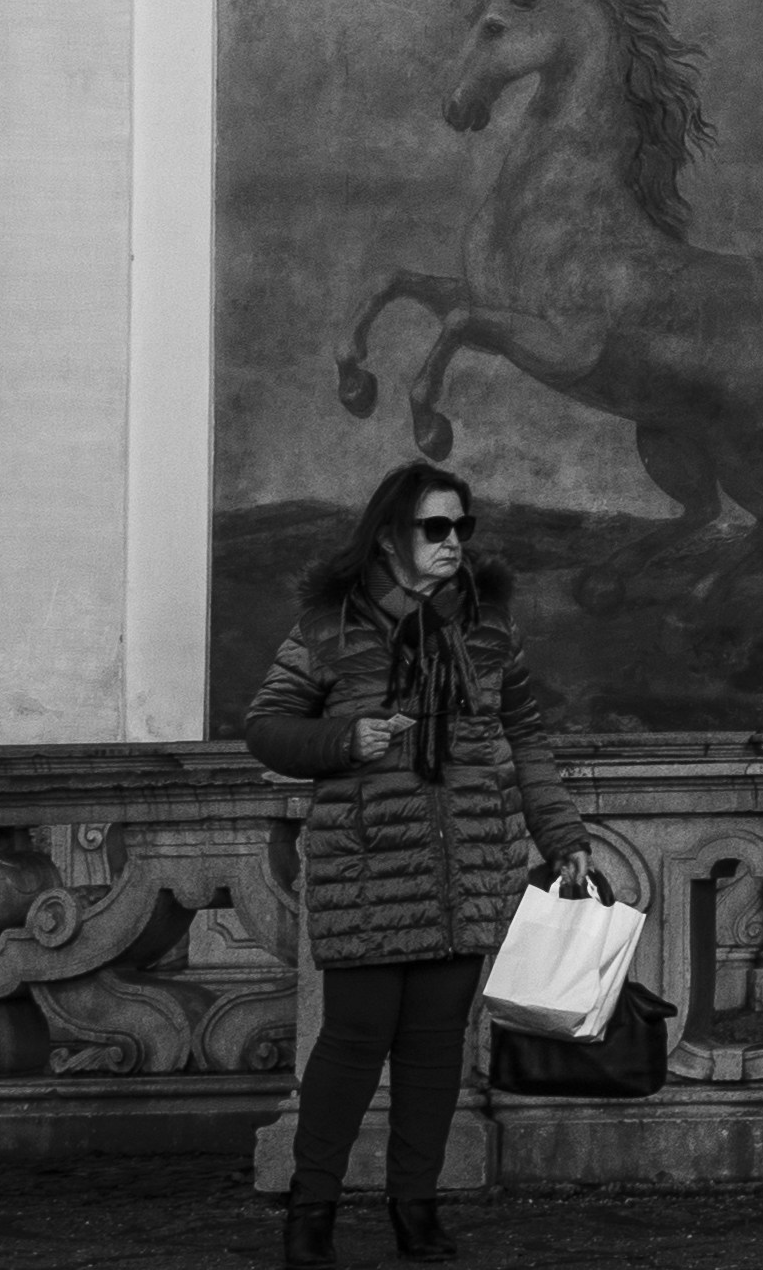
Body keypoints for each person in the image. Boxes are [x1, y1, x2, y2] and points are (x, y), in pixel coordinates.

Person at [242, 466, 591, 1269]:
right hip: (369, 866)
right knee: (353, 1042)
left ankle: (416, 1206)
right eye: (437, 528)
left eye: (462, 526)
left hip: (467, 863)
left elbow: (528, 738)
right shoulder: (331, 627)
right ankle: (312, 1210)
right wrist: (343, 738)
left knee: (438, 1048)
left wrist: (561, 834)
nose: (453, 543)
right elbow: (266, 726)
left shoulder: (490, 627)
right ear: (392, 534)